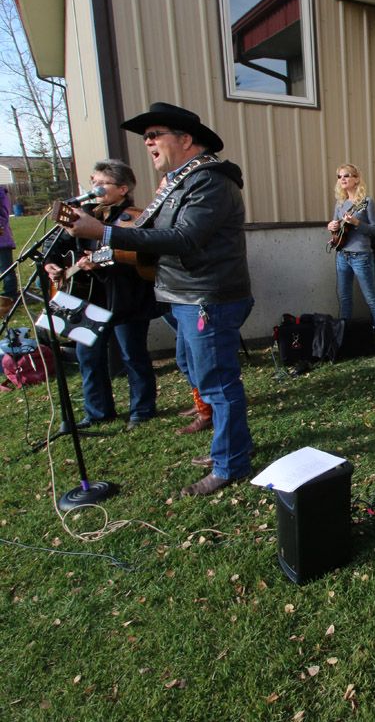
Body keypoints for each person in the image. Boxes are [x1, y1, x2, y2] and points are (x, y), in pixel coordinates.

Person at [63, 102, 254, 496]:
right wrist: (101, 252)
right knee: (199, 373)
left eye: (156, 134)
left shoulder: (209, 181)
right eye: (145, 136)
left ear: (185, 140)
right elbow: (151, 239)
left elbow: (185, 239)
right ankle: (229, 447)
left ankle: (230, 463)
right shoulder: (179, 182)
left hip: (206, 297)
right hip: (184, 294)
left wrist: (106, 233)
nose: (148, 141)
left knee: (218, 384)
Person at [44, 160, 158, 431]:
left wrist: (109, 260)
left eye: (101, 183)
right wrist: (51, 263)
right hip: (84, 296)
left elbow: (147, 256)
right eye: (92, 181)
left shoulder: (135, 218)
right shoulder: (81, 214)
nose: (94, 187)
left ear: (122, 189)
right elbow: (55, 245)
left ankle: (141, 410)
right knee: (87, 356)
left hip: (125, 297)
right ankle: (97, 412)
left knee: (133, 355)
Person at [327, 163, 375, 345]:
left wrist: (356, 223)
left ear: (356, 179)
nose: (342, 179)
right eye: (339, 176)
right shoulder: (340, 203)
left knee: (370, 297)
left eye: (347, 175)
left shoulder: (366, 202)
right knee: (344, 296)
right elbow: (337, 230)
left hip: (361, 256)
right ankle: (344, 333)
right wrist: (332, 228)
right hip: (342, 255)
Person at [0, 186, 15, 318]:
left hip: (2, 240)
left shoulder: (1, 193)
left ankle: (10, 297)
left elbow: (4, 216)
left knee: (6, 271)